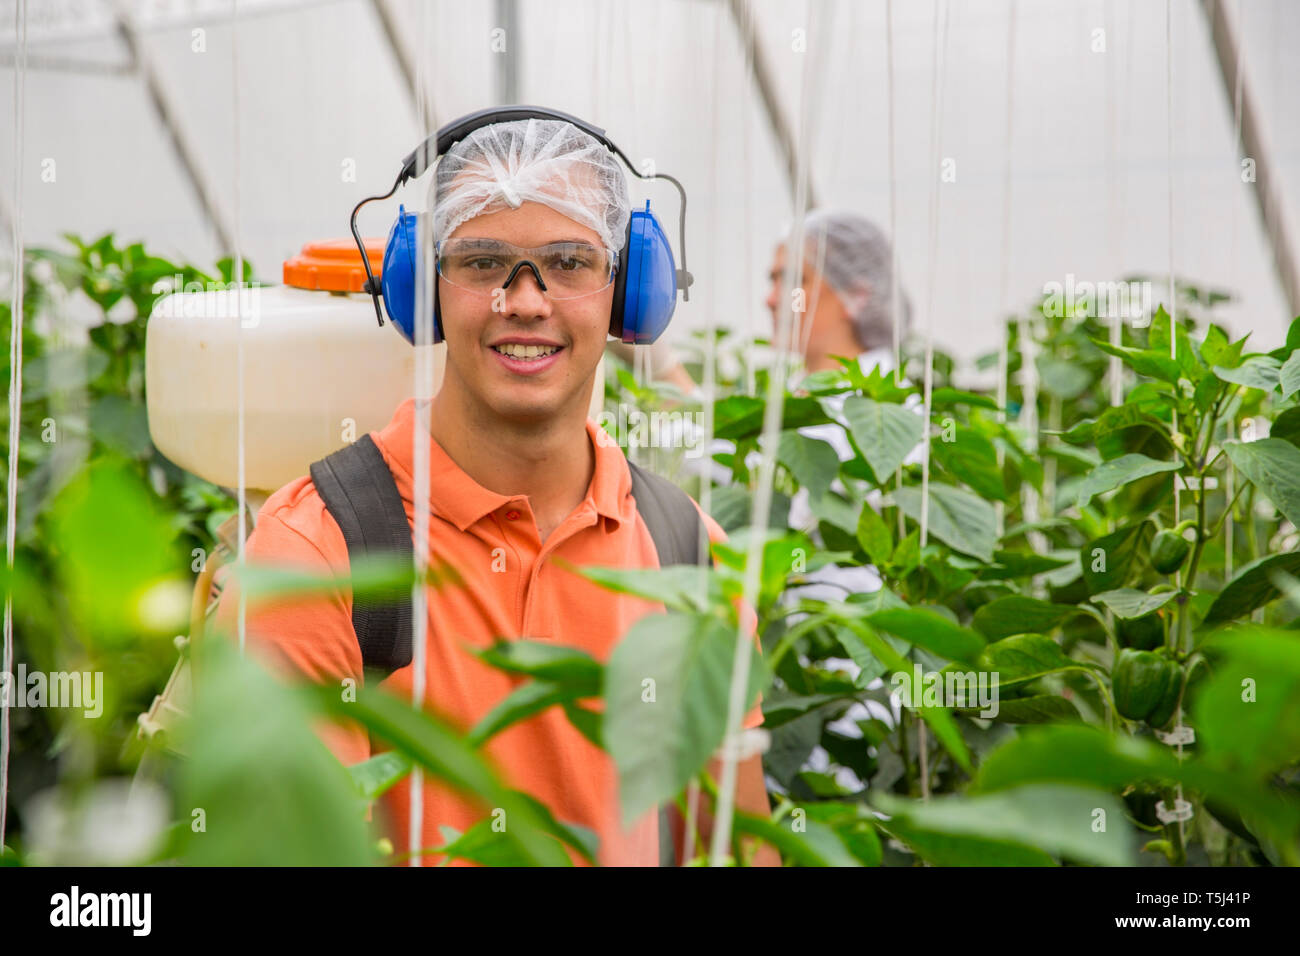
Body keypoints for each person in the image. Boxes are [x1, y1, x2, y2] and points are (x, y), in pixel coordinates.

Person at [212, 116, 776, 867]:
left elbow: (738, 852)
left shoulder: (689, 553)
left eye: (570, 262)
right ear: (425, 291)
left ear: (629, 292)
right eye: (482, 263)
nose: (526, 301)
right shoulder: (319, 554)